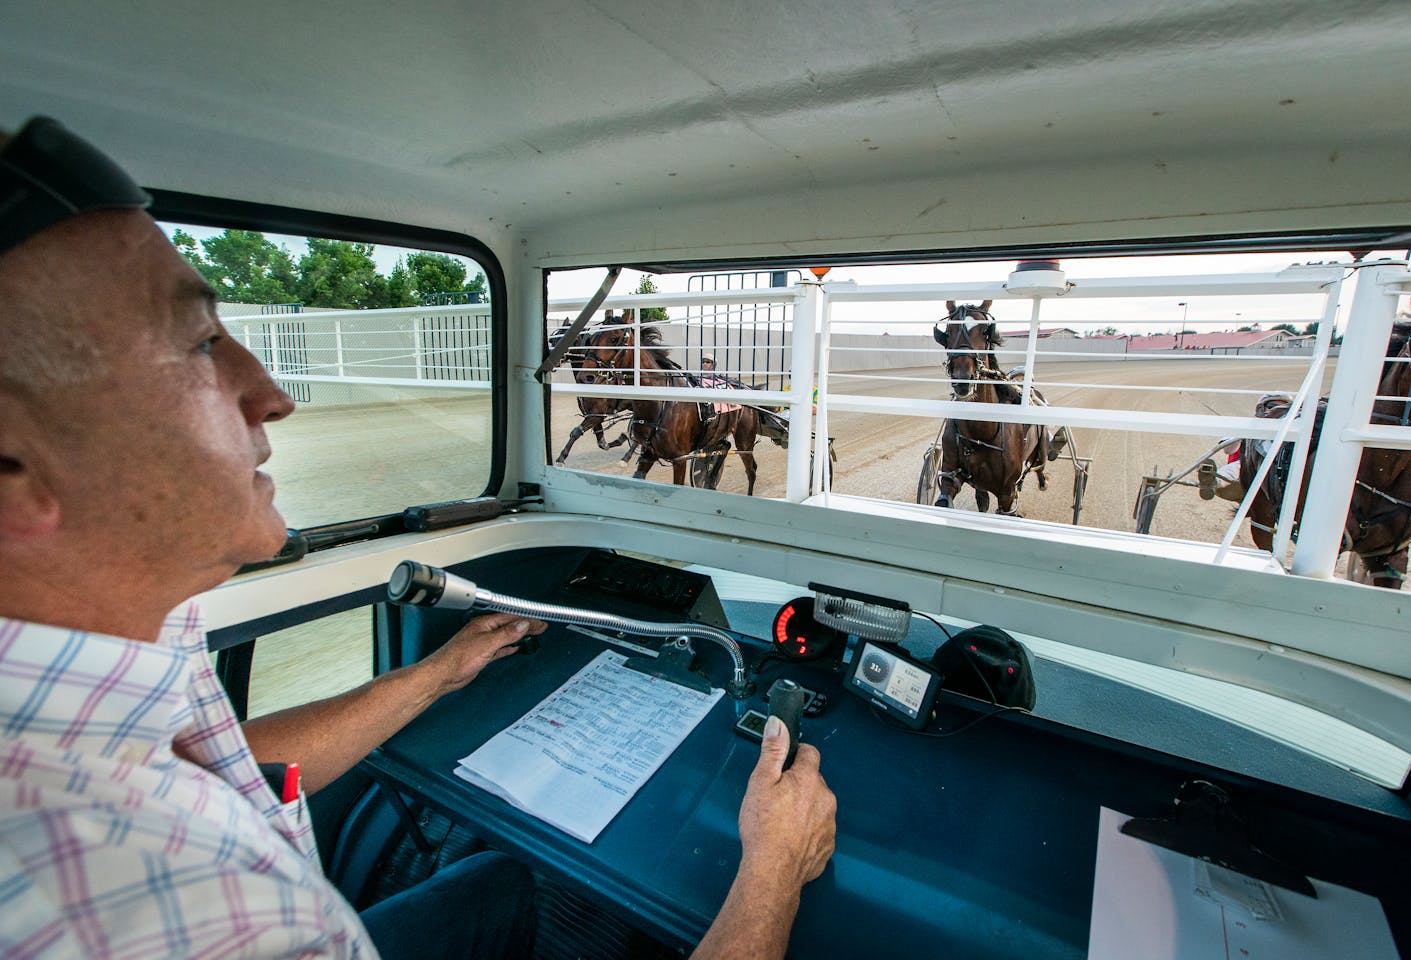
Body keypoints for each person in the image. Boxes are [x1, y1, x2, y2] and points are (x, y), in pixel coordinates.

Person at [0, 116, 835, 959]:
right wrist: (773, 868)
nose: (271, 393)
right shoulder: (154, 923)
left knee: (503, 881)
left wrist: (437, 673)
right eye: (198, 345)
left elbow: (213, 763)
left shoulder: (120, 645)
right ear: (13, 468)